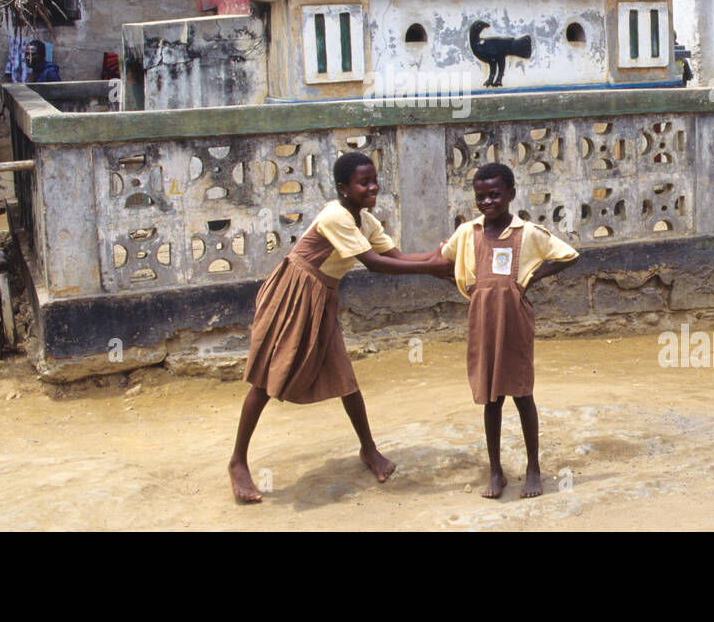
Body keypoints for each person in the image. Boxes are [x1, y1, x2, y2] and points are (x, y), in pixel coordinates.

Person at [229, 151, 453, 503]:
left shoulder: (364, 219)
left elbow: (396, 256)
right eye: (364, 182)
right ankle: (238, 462)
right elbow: (375, 264)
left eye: (374, 179)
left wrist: (440, 256)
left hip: (322, 296)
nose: (373, 186)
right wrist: (433, 266)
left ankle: (369, 450)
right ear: (343, 188)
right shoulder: (335, 216)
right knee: (267, 377)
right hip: (294, 293)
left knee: (345, 377)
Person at [441, 162, 577, 499]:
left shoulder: (527, 232)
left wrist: (529, 279)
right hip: (482, 320)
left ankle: (533, 469)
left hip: (514, 319)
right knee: (492, 397)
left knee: (522, 393)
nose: (487, 202)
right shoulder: (468, 232)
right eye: (481, 196)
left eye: (495, 195)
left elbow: (569, 256)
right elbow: (445, 257)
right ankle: (496, 471)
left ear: (511, 195)